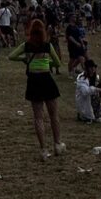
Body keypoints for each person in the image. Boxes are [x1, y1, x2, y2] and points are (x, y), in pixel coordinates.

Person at [10, 19, 65, 160]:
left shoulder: (26, 45)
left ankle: (43, 150)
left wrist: (26, 60)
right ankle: (58, 144)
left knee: (38, 117)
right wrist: (46, 62)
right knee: (54, 115)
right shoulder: (47, 46)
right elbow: (58, 62)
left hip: (33, 81)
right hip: (47, 79)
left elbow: (11, 56)